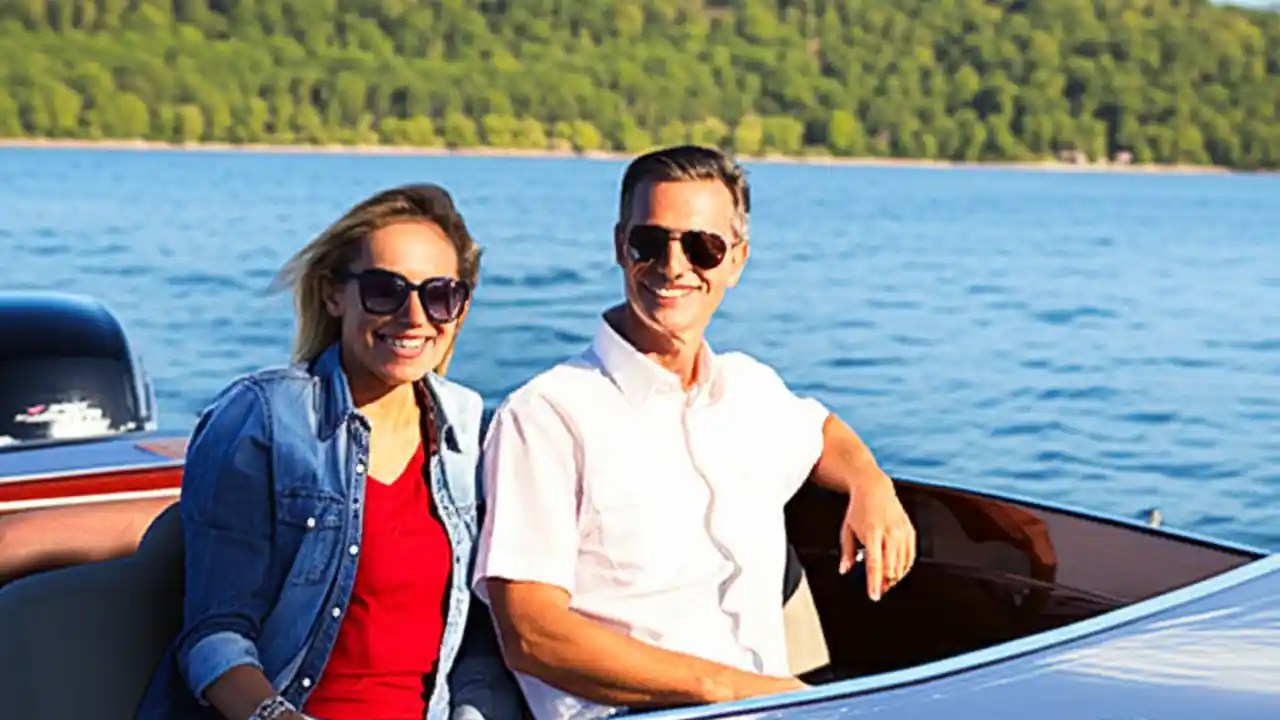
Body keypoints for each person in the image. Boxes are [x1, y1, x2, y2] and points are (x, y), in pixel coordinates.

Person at [474, 145, 917, 719]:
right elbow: (532, 635)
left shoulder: (749, 392)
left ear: (737, 261)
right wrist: (724, 688)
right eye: (650, 242)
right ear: (619, 246)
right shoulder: (546, 417)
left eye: (702, 247)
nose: (674, 266)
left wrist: (869, 482)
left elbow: (821, 431)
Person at [136, 184, 520, 720]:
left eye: (439, 294)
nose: (414, 317)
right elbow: (214, 636)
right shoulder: (264, 418)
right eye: (386, 290)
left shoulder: (465, 429)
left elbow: (477, 642)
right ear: (333, 294)